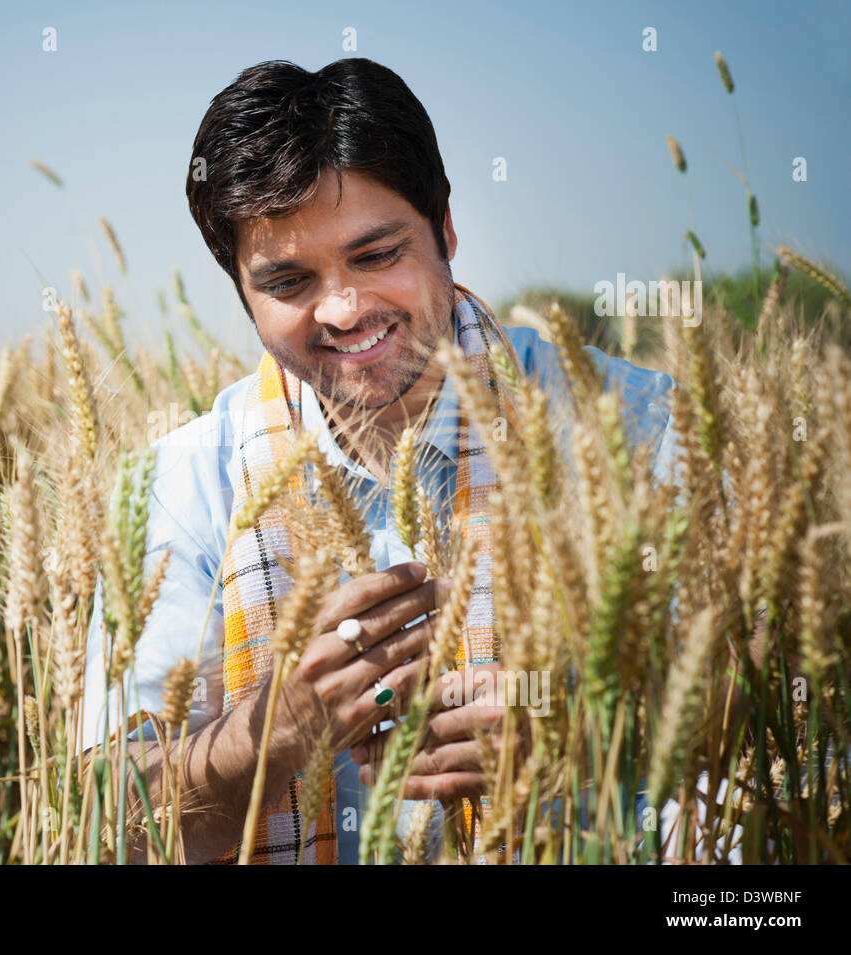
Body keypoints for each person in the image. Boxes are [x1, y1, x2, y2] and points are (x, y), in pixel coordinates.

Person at [79, 57, 679, 864]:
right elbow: (104, 815)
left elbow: (784, 724)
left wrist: (585, 736)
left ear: (446, 230)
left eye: (376, 253)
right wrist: (274, 729)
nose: (344, 308)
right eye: (289, 280)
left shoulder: (635, 429)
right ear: (244, 295)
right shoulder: (183, 487)